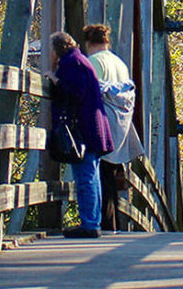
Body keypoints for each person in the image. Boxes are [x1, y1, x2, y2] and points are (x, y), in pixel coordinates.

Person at [46, 31, 113, 238]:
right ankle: (92, 221)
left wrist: (55, 80)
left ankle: (90, 224)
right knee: (91, 177)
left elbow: (75, 93)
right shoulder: (80, 60)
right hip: (92, 128)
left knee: (85, 178)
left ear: (57, 49)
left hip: (83, 130)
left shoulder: (72, 63)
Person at [82, 23, 145, 231]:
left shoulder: (93, 62)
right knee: (110, 180)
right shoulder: (120, 63)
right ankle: (113, 224)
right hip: (121, 128)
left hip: (101, 127)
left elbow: (88, 93)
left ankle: (102, 223)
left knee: (98, 178)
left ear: (88, 42)